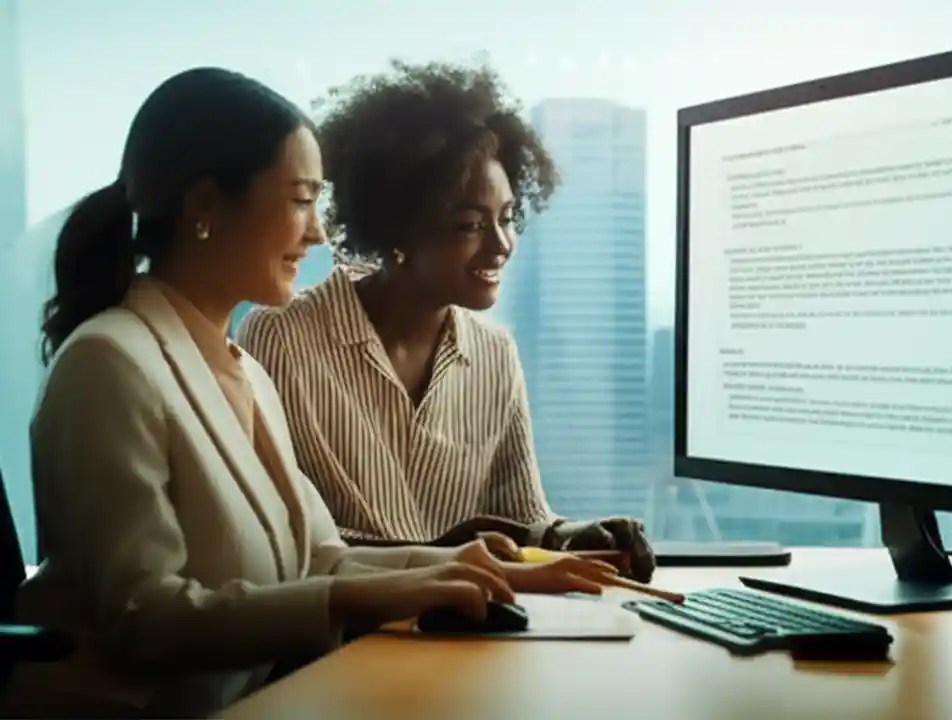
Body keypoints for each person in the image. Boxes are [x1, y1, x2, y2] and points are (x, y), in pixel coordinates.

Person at [7, 67, 612, 718]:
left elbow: (320, 558)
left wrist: (465, 567)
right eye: (299, 200)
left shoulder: (237, 367)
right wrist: (379, 596)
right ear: (205, 207)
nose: (319, 234)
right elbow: (144, 620)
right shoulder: (109, 364)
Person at [236, 61, 657, 582]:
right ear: (396, 227)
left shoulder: (495, 353)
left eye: (506, 218)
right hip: (341, 639)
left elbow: (523, 520)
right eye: (470, 225)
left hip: (466, 636)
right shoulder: (280, 338)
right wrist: (447, 552)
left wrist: (569, 535)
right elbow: (285, 542)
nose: (501, 244)